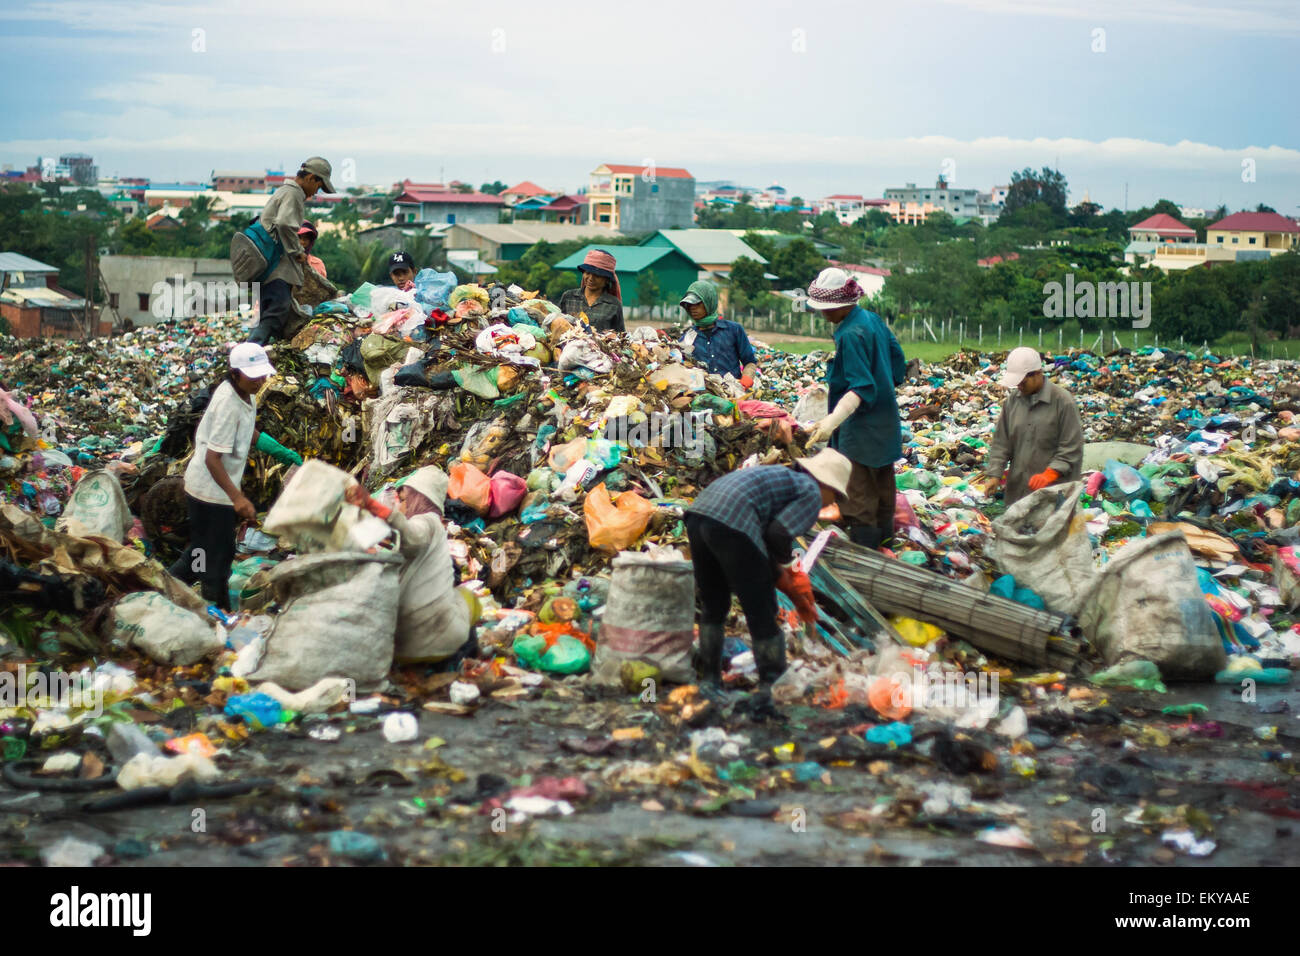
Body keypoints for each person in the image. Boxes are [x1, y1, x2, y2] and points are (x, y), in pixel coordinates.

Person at [686, 447, 852, 692]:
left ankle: (710, 681)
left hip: (698, 515)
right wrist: (789, 570)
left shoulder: (781, 477)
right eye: (835, 495)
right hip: (733, 522)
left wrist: (778, 575)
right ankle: (773, 685)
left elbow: (763, 542)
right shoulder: (810, 491)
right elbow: (779, 534)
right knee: (762, 611)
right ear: (827, 485)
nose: (831, 502)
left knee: (714, 604)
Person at [169, 343, 300, 609]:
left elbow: (247, 430)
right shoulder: (228, 401)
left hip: (216, 489)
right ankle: (217, 613)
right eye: (253, 376)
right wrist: (237, 498)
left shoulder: (245, 395)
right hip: (208, 491)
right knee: (214, 560)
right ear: (235, 372)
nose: (259, 381)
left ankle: (166, 585)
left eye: (262, 375)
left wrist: (278, 450)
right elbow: (212, 458)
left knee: (207, 550)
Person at [805, 267, 906, 550]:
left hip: (859, 428)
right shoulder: (872, 320)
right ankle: (888, 546)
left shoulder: (850, 334)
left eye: (828, 309)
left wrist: (831, 422)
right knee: (884, 490)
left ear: (844, 304)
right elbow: (898, 362)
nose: (824, 314)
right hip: (885, 423)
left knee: (858, 496)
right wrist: (885, 387)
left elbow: (861, 387)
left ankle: (868, 558)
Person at [344, 467, 475, 664]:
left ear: (418, 499)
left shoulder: (426, 522)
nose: (401, 506)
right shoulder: (432, 526)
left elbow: (411, 537)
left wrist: (373, 506)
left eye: (404, 500)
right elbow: (396, 541)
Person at [979, 346, 1084, 506]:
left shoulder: (1062, 402)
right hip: (1018, 493)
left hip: (1054, 495)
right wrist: (995, 475)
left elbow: (1072, 447)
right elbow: (1001, 443)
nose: (1019, 385)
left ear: (1037, 373)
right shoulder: (1013, 402)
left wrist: (1050, 473)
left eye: (1023, 381)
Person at [248, 157, 334, 345]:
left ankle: (254, 352)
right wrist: (297, 251)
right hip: (277, 269)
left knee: (274, 314)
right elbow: (285, 223)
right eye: (318, 186)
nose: (316, 192)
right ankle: (248, 355)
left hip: (267, 267)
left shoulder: (284, 191)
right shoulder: (294, 194)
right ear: (311, 178)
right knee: (274, 315)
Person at [678, 280, 758, 387]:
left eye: (697, 303)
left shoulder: (734, 330)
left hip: (733, 393)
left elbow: (750, 362)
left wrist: (747, 378)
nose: (692, 308)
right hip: (704, 396)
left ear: (709, 302)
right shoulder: (687, 338)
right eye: (689, 305)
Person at [557, 249, 625, 332]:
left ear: (607, 280)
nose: (591, 278)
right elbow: (556, 324)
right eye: (588, 273)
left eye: (597, 275)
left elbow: (620, 336)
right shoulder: (568, 297)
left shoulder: (614, 304)